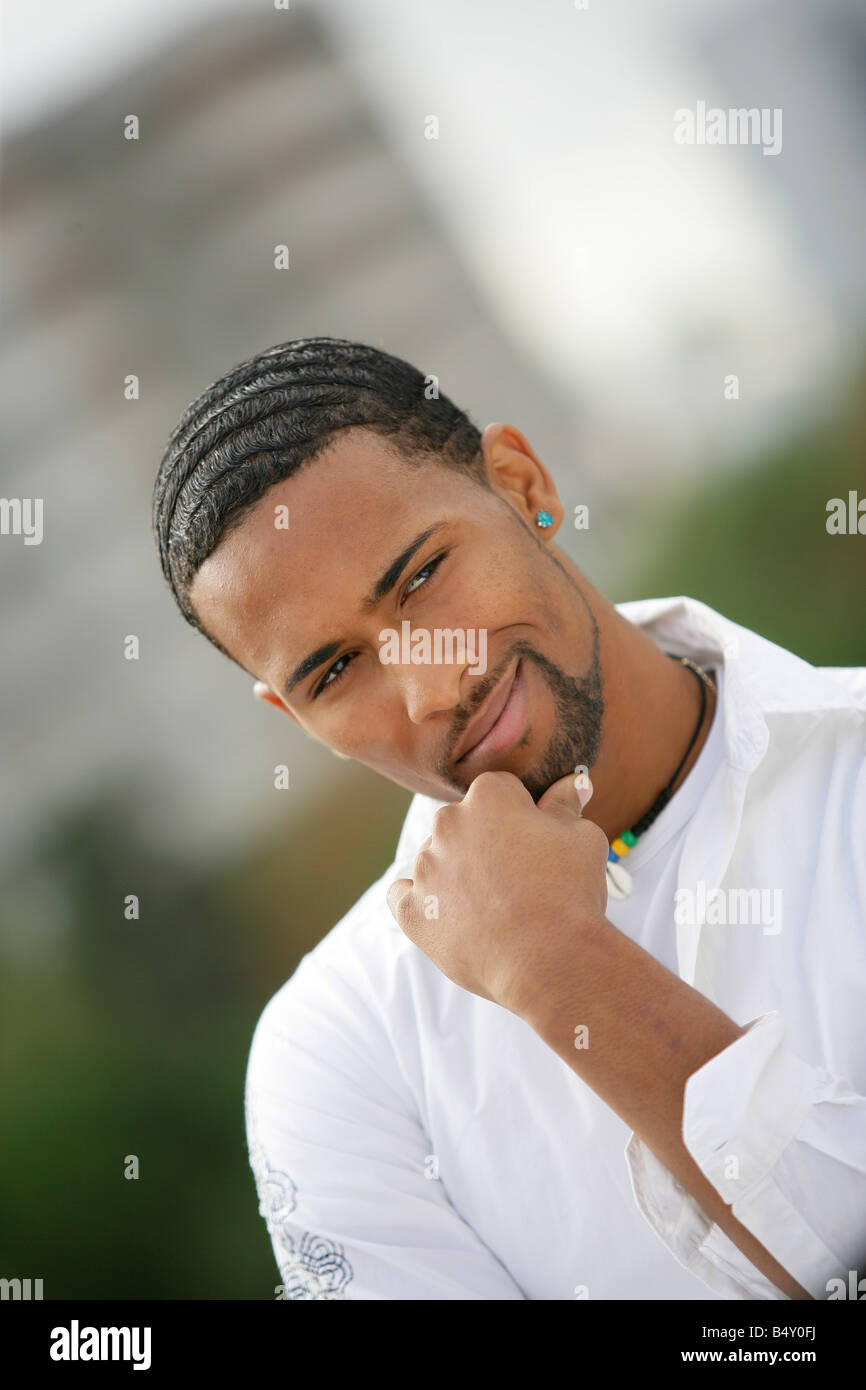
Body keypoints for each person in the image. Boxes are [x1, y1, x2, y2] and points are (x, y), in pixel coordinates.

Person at [152, 336, 866, 1301]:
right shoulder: (339, 1053)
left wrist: (563, 970)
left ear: (521, 482)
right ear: (295, 717)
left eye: (419, 577)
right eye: (333, 671)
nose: (432, 684)